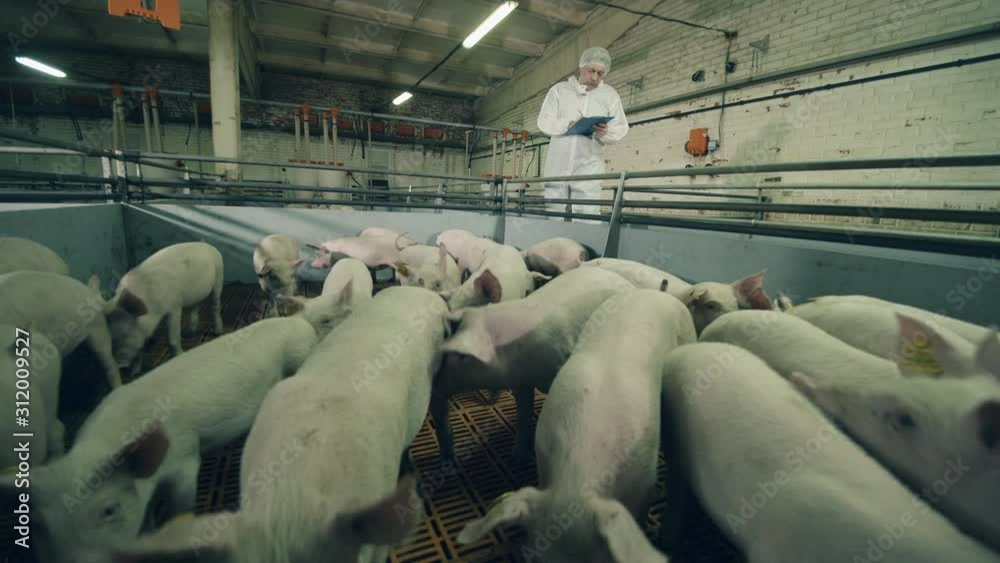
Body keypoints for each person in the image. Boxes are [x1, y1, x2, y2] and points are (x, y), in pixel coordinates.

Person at [537, 46, 629, 222]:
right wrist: (567, 124)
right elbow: (544, 121)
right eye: (591, 71)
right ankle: (553, 248)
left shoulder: (609, 95)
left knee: (588, 212)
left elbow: (621, 128)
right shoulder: (560, 91)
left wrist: (605, 132)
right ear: (581, 67)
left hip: (589, 163)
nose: (594, 77)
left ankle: (585, 249)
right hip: (559, 162)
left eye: (600, 73)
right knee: (554, 208)